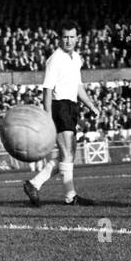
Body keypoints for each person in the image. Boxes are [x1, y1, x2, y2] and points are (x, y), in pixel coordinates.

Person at [23, 20, 101, 206]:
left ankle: (34, 183)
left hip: (71, 106)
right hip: (59, 106)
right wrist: (48, 118)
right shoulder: (55, 59)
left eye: (72, 37)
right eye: (65, 37)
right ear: (60, 38)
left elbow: (78, 85)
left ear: (77, 38)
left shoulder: (76, 58)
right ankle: (70, 196)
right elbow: (47, 89)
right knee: (67, 152)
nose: (68, 41)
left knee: (69, 153)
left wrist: (90, 104)